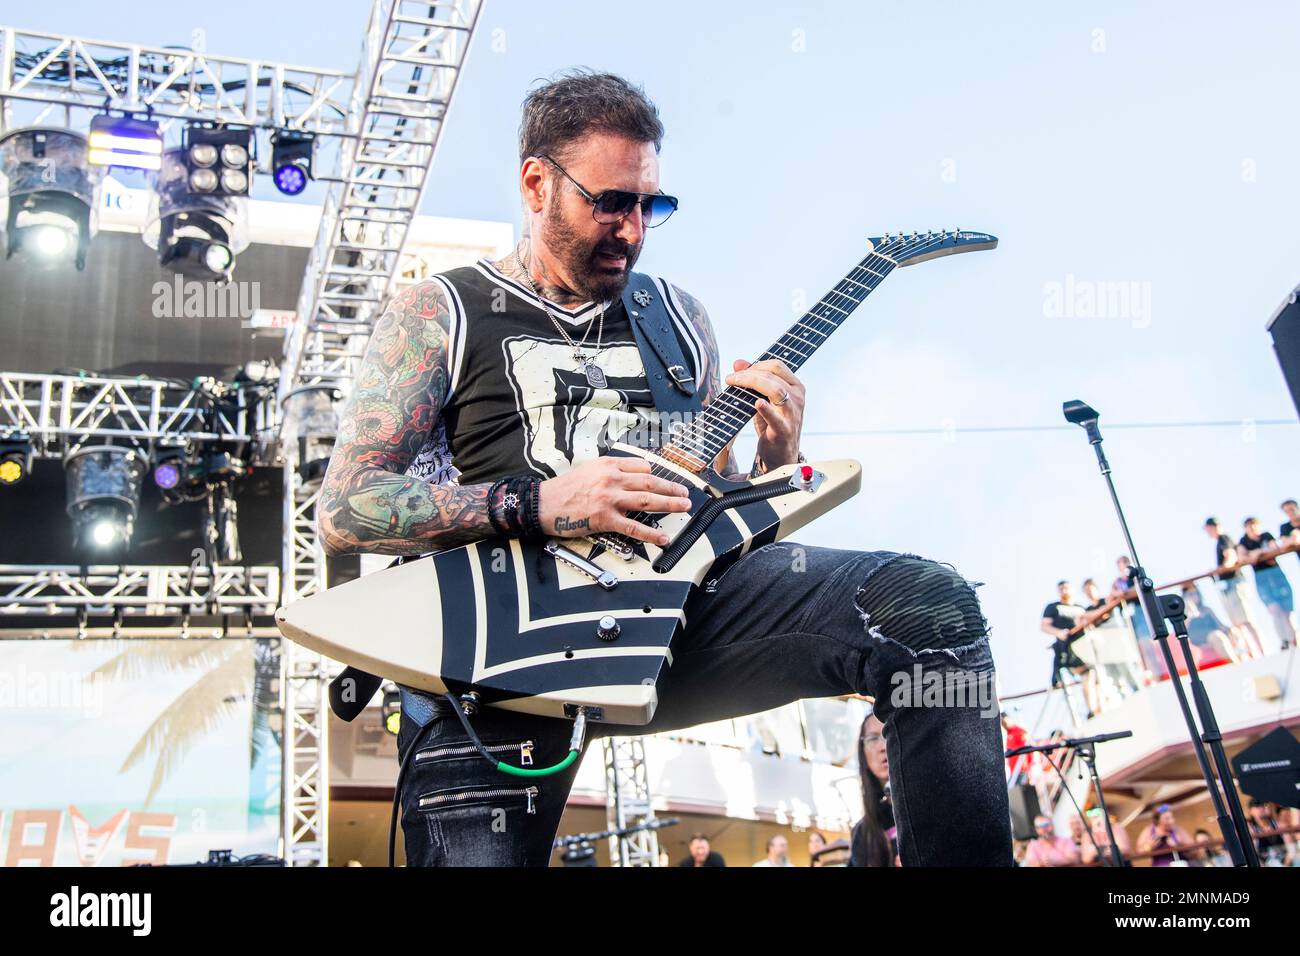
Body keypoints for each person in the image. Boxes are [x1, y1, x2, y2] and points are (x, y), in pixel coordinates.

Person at [317, 70, 1012, 867]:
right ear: (537, 183)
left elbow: (704, 511)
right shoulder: (441, 310)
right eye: (609, 201)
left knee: (930, 611)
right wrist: (543, 501)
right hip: (498, 654)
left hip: (677, 621)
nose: (633, 228)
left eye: (651, 205)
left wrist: (774, 461)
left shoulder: (676, 318)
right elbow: (347, 506)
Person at [1205, 518, 1264, 659]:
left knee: (1246, 620)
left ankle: (1260, 653)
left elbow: (1230, 555)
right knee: (1239, 623)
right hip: (1228, 586)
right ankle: (1251, 653)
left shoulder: (1224, 538)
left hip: (1233, 583)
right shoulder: (1220, 541)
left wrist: (1222, 568)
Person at [1238, 517, 1299, 650]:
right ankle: (1285, 640)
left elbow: (1273, 550)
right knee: (1274, 609)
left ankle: (1295, 638)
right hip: (1262, 579)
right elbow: (1242, 557)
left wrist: (1257, 553)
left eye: (1254, 525)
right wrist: (1255, 555)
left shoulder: (1266, 536)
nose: (1252, 529)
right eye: (1249, 526)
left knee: (1288, 611)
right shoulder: (1244, 541)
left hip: (1277, 576)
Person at [1081, 577, 1142, 703]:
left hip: (1117, 640)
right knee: (1113, 675)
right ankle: (1124, 699)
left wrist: (1095, 616)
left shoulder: (1106, 600)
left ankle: (1138, 692)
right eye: (1086, 591)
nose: (1089, 592)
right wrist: (1096, 615)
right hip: (1103, 646)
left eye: (1090, 589)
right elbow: (1084, 619)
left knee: (1126, 668)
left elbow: (1106, 611)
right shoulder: (1087, 609)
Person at [1040, 580, 1095, 717]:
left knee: (1092, 676)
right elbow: (1044, 626)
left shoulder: (1080, 608)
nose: (1064, 591)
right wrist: (1058, 633)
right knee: (1086, 674)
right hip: (1068, 649)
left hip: (1086, 646)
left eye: (1066, 588)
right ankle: (1090, 710)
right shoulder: (1053, 607)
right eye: (1061, 589)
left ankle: (1095, 708)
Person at [849, 713, 897, 867]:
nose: (883, 746)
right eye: (872, 738)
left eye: (888, 733)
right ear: (862, 752)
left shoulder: (933, 803)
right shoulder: (863, 833)